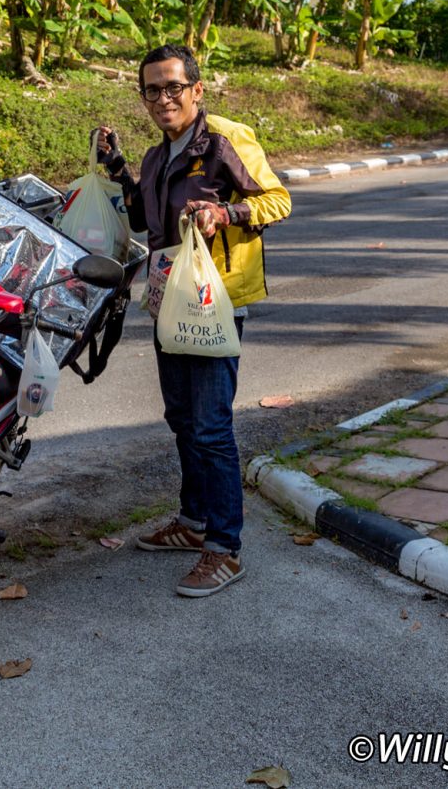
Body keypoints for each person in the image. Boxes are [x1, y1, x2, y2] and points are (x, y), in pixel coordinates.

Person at [95, 44, 290, 597]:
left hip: (217, 301)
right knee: (182, 418)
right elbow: (142, 217)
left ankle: (224, 549)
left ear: (196, 90)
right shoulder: (158, 156)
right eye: (152, 90)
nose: (163, 99)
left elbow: (278, 199)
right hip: (169, 301)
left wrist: (223, 212)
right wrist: (116, 165)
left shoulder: (225, 139)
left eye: (173, 87)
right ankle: (194, 521)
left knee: (210, 426)